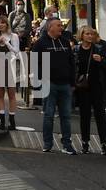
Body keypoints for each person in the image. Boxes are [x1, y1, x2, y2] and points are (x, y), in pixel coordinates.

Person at [32, 18, 77, 154]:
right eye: (58, 25)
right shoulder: (41, 43)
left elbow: (71, 62)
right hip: (49, 83)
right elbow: (36, 63)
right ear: (50, 27)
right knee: (49, 115)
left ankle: (67, 144)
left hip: (65, 84)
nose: (61, 28)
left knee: (66, 116)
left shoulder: (64, 42)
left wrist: (72, 82)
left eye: (61, 26)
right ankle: (48, 143)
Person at [75, 25, 106, 154]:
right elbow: (74, 66)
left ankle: (104, 144)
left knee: (100, 115)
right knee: (84, 115)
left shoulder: (99, 49)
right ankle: (85, 143)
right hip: (83, 87)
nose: (90, 36)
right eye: (87, 34)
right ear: (82, 35)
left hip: (97, 86)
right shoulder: (77, 50)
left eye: (91, 34)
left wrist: (101, 60)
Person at [0, 14, 21, 130]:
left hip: (11, 66)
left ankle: (12, 120)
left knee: (12, 95)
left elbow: (16, 51)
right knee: (0, 94)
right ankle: (1, 118)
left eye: (3, 22)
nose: (0, 25)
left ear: (7, 24)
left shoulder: (13, 36)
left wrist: (7, 43)